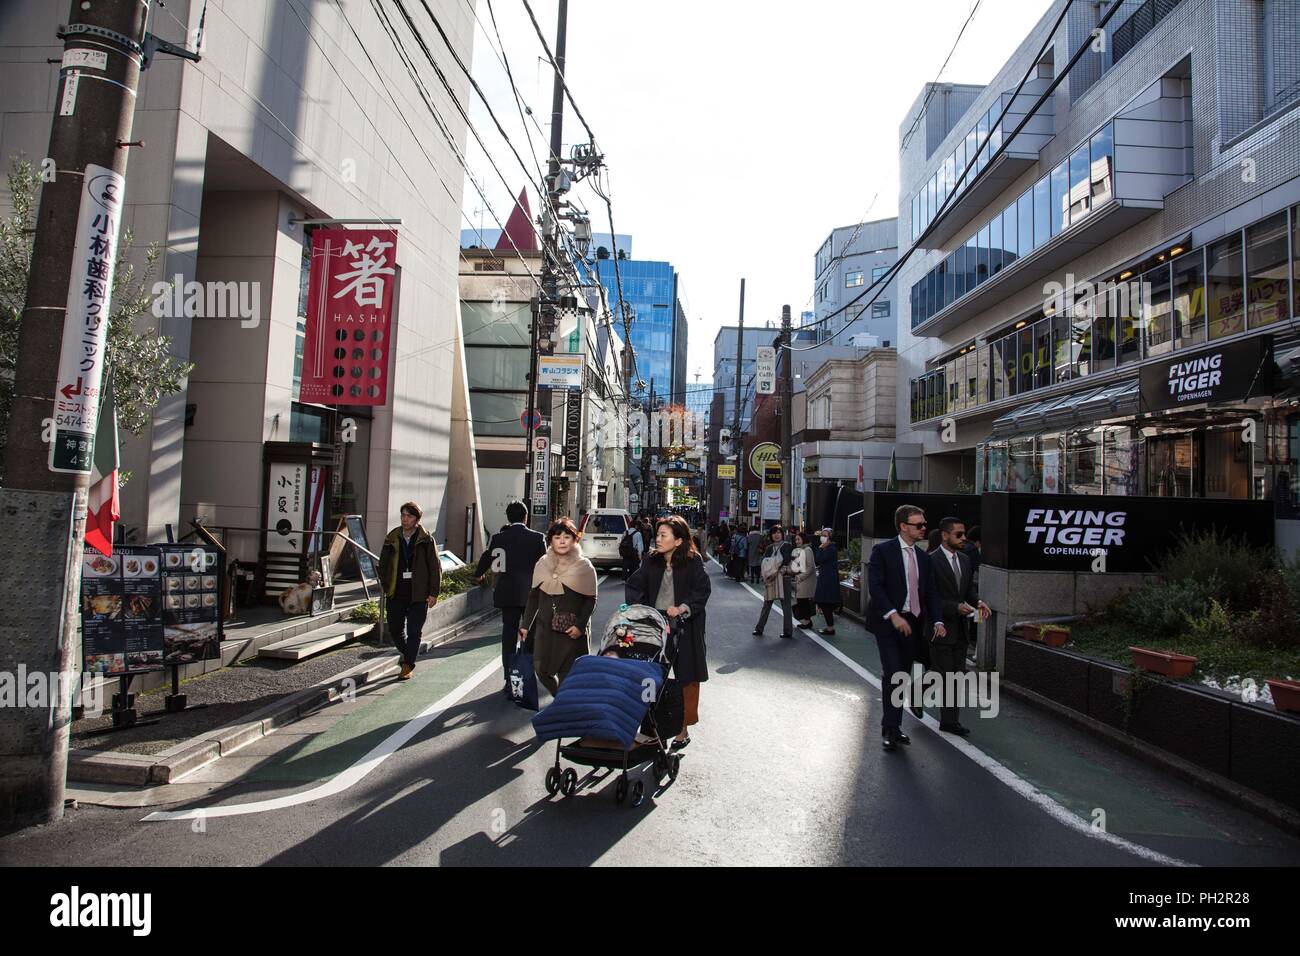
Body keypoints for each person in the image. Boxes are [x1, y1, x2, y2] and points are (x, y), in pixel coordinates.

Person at [626, 515, 712, 749]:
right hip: (655, 627)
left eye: (664, 535)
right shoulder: (650, 560)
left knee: (686, 677)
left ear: (678, 541)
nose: (658, 539)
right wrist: (643, 609)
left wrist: (682, 608)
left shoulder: (692, 561)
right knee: (652, 677)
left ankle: (682, 728)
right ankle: (652, 728)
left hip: (685, 626)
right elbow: (634, 586)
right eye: (658, 534)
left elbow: (702, 590)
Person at [865, 504, 944, 751]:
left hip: (914, 623)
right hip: (889, 624)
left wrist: (938, 620)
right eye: (918, 525)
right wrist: (893, 615)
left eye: (924, 524)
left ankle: (895, 726)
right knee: (893, 672)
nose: (923, 528)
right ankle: (890, 728)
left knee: (903, 674)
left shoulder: (923, 558)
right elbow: (875, 587)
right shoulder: (882, 551)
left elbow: (931, 592)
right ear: (903, 526)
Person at [519, 518, 598, 696]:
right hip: (544, 628)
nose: (562, 540)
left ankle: (564, 707)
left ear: (574, 540)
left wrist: (580, 626)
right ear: (551, 540)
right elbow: (533, 596)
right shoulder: (542, 563)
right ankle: (561, 700)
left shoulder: (584, 566)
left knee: (567, 675)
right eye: (557, 536)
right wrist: (525, 625)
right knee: (540, 669)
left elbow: (591, 599)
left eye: (567, 536)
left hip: (570, 630)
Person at [475, 501, 547, 697]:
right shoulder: (538, 538)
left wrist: (478, 573)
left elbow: (487, 557)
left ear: (508, 518)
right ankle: (526, 673)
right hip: (531, 594)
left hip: (507, 593)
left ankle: (509, 678)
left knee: (508, 636)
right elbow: (546, 564)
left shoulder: (498, 538)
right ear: (526, 517)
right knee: (529, 634)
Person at [931, 517, 991, 735]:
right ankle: (948, 721)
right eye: (958, 534)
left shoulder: (965, 560)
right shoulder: (931, 561)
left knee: (954, 676)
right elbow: (930, 598)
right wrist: (954, 607)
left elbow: (966, 591)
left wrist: (977, 602)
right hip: (940, 628)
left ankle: (949, 720)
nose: (964, 538)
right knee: (945, 675)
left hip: (961, 630)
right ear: (944, 535)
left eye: (964, 533)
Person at [378, 502, 442, 681]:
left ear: (417, 519)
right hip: (396, 592)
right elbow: (383, 564)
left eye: (409, 516)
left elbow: (435, 567)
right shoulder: (392, 537)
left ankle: (407, 664)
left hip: (418, 593)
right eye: (403, 515)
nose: (405, 519)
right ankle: (408, 653)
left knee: (414, 631)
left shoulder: (426, 539)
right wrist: (385, 585)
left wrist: (433, 593)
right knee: (394, 629)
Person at [753, 524, 794, 639]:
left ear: (782, 534)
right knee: (767, 603)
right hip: (771, 578)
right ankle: (759, 628)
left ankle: (787, 631)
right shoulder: (769, 548)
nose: (776, 535)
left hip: (783, 577)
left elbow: (786, 561)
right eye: (774, 533)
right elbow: (765, 563)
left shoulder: (787, 546)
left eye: (778, 532)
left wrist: (773, 568)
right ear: (771, 535)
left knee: (786, 605)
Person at [813, 528, 841, 635]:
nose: (822, 537)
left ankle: (830, 627)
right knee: (823, 602)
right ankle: (829, 627)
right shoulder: (827, 548)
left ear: (830, 537)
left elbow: (819, 559)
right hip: (825, 578)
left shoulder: (831, 549)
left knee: (826, 602)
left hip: (829, 579)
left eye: (825, 535)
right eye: (822, 535)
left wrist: (820, 548)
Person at [791, 530, 817, 628]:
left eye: (798, 539)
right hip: (802, 579)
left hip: (806, 580)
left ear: (803, 539)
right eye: (795, 540)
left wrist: (801, 577)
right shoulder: (801, 550)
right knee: (802, 601)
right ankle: (806, 621)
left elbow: (810, 567)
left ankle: (807, 622)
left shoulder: (807, 550)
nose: (797, 541)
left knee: (803, 601)